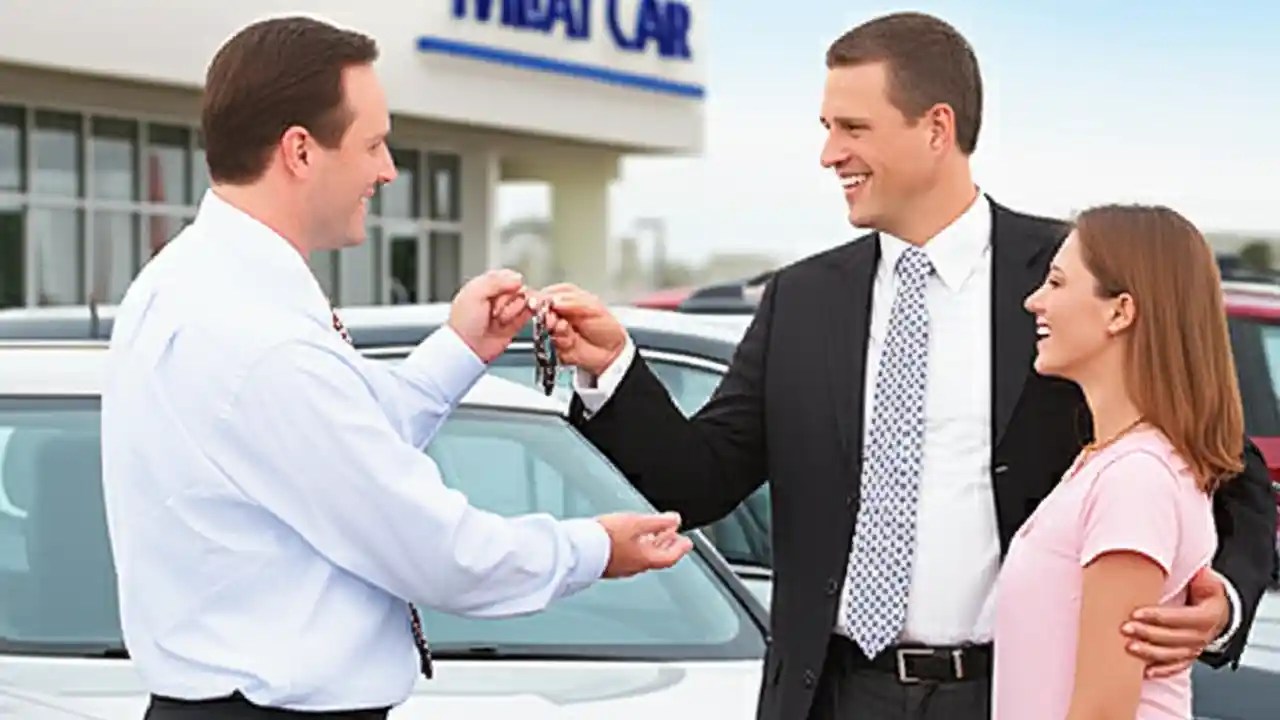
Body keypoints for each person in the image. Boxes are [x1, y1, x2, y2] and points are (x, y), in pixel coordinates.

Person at [535, 11, 1277, 720]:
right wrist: (614, 370)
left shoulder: (1069, 281)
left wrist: (1224, 605)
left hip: (1012, 695)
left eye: (854, 128)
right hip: (833, 695)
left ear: (937, 128)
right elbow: (699, 481)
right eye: (827, 128)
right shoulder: (801, 300)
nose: (830, 154)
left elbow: (1220, 462)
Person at [99, 16, 691, 720]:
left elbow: (340, 449)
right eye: (374, 144)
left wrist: (459, 350)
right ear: (300, 151)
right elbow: (435, 551)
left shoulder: (186, 285)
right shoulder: (259, 340)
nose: (387, 171)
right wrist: (596, 548)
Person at [993, 205, 1245, 719]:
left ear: (1120, 311)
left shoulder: (1134, 478)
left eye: (1058, 283)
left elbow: (1103, 712)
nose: (1034, 301)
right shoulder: (1114, 462)